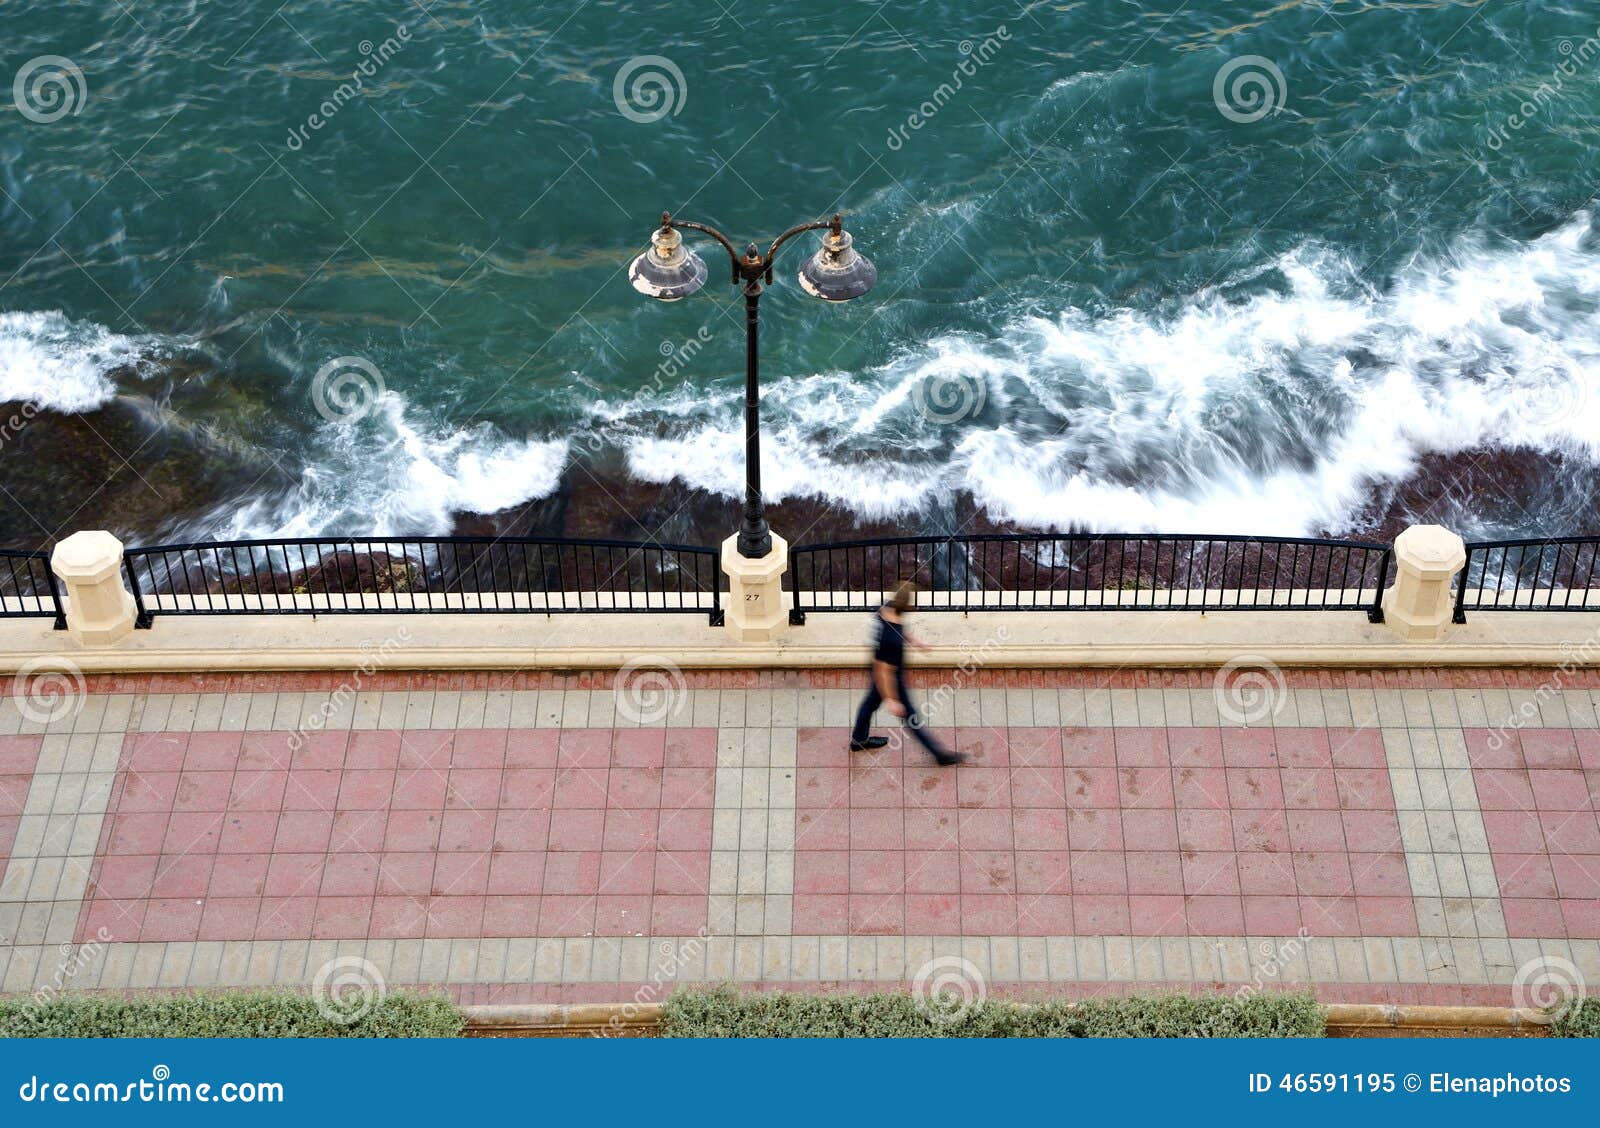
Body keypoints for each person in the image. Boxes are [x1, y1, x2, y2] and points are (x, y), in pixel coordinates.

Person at [849, 580, 965, 765]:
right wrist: (891, 700)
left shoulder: (886, 608)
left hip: (882, 665)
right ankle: (939, 754)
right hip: (890, 674)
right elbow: (883, 671)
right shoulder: (892, 640)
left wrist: (915, 642)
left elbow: (895, 630)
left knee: (869, 704)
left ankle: (859, 739)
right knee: (911, 716)